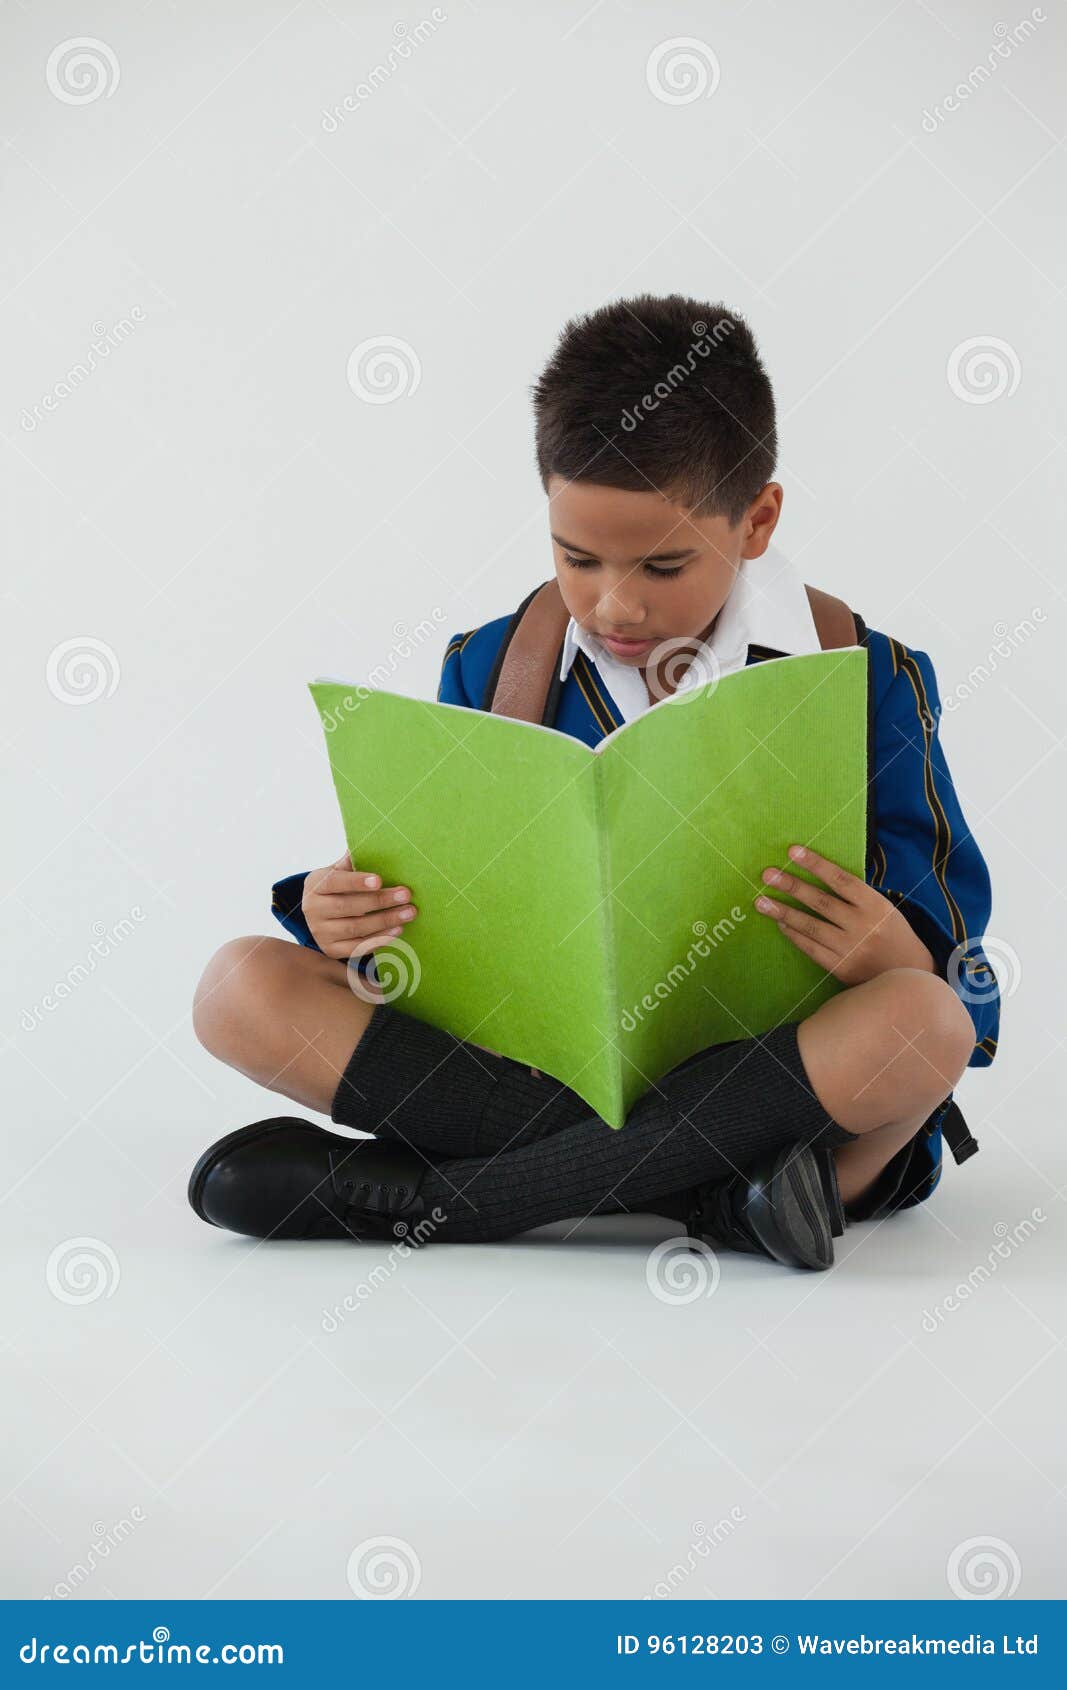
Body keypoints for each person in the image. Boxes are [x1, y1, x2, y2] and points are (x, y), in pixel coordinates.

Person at [187, 293, 999, 1271]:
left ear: (755, 519)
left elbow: (958, 977)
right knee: (237, 987)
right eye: (575, 558)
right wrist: (344, 915)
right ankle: (720, 1201)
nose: (614, 603)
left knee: (924, 1022)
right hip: (547, 1079)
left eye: (661, 564)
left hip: (781, 1088)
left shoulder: (867, 676)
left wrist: (889, 949)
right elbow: (438, 923)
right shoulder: (488, 668)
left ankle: (447, 1199)